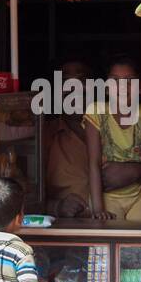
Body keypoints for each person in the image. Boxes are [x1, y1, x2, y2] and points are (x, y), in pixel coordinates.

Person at [83, 55, 141, 223]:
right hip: (106, 196)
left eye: (129, 81)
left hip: (140, 196)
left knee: (139, 245)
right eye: (115, 81)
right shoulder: (96, 112)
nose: (122, 88)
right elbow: (93, 163)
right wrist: (98, 208)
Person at [43, 57, 92, 218]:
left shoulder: (119, 128)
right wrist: (57, 207)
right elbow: (23, 194)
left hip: (119, 228)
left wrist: (136, 170)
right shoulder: (45, 136)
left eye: (81, 79)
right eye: (65, 81)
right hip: (68, 231)